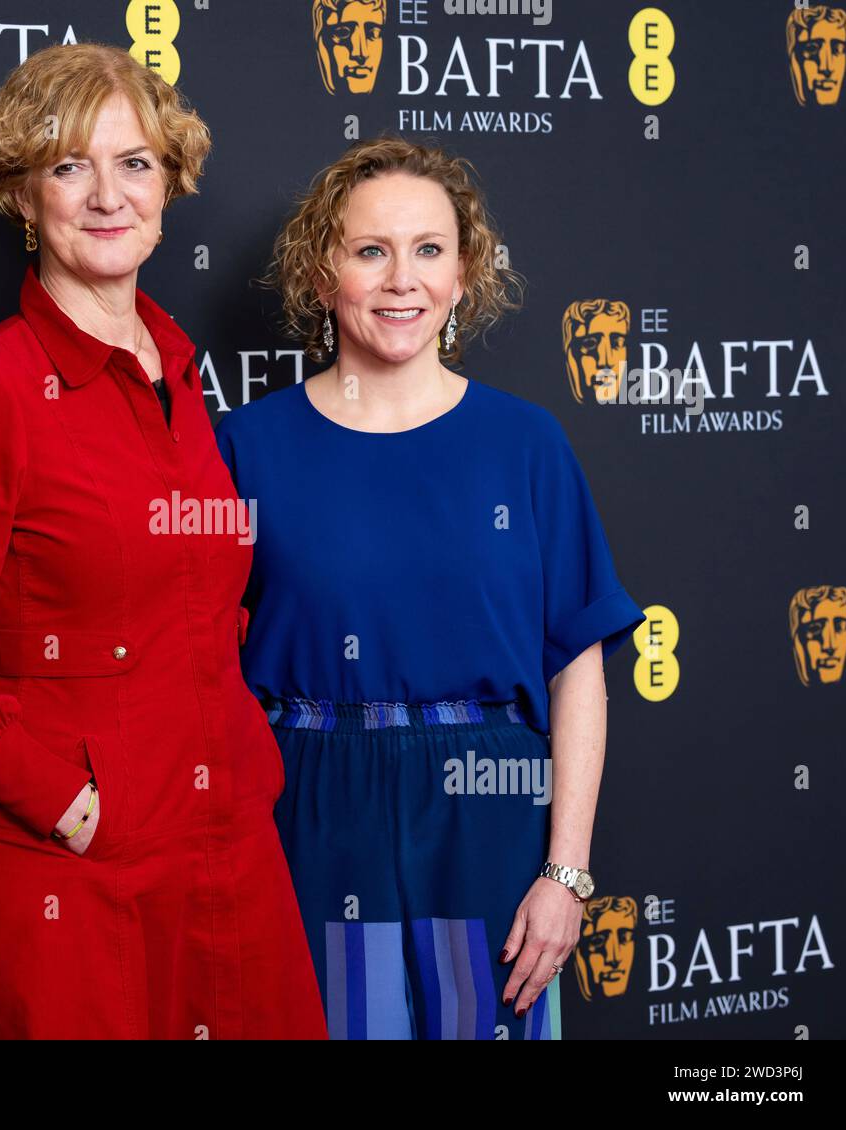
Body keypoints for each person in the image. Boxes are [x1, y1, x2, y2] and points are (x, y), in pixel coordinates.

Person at [0, 43, 327, 1040]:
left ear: (171, 182)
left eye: (135, 163)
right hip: (58, 880)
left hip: (220, 858)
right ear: (22, 197)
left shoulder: (184, 376)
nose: (107, 195)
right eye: (70, 166)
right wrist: (72, 803)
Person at [214, 136, 646, 1040]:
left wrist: (565, 874)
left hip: (489, 817)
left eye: (429, 249)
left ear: (463, 273)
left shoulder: (528, 446)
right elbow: (198, 665)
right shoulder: (243, 449)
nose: (401, 279)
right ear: (322, 271)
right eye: (371, 251)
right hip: (306, 817)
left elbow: (578, 672)